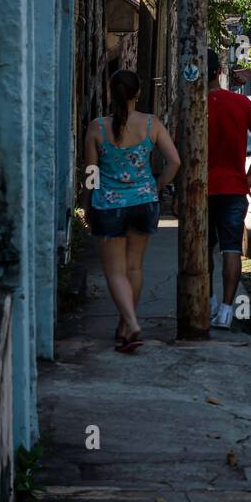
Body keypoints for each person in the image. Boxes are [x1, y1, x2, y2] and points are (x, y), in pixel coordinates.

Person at [82, 70, 181, 352]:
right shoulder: (151, 124)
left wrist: (87, 202)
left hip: (109, 205)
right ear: (137, 94)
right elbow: (174, 162)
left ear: (111, 93)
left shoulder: (97, 128)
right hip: (144, 202)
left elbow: (92, 171)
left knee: (115, 271)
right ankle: (126, 327)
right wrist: (156, 187)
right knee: (135, 267)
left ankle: (132, 324)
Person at [207, 48, 251, 328]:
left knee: (202, 248)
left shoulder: (192, 104)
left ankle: (206, 299)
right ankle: (226, 309)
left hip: (201, 190)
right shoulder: (240, 103)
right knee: (231, 249)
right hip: (234, 188)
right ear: (219, 72)